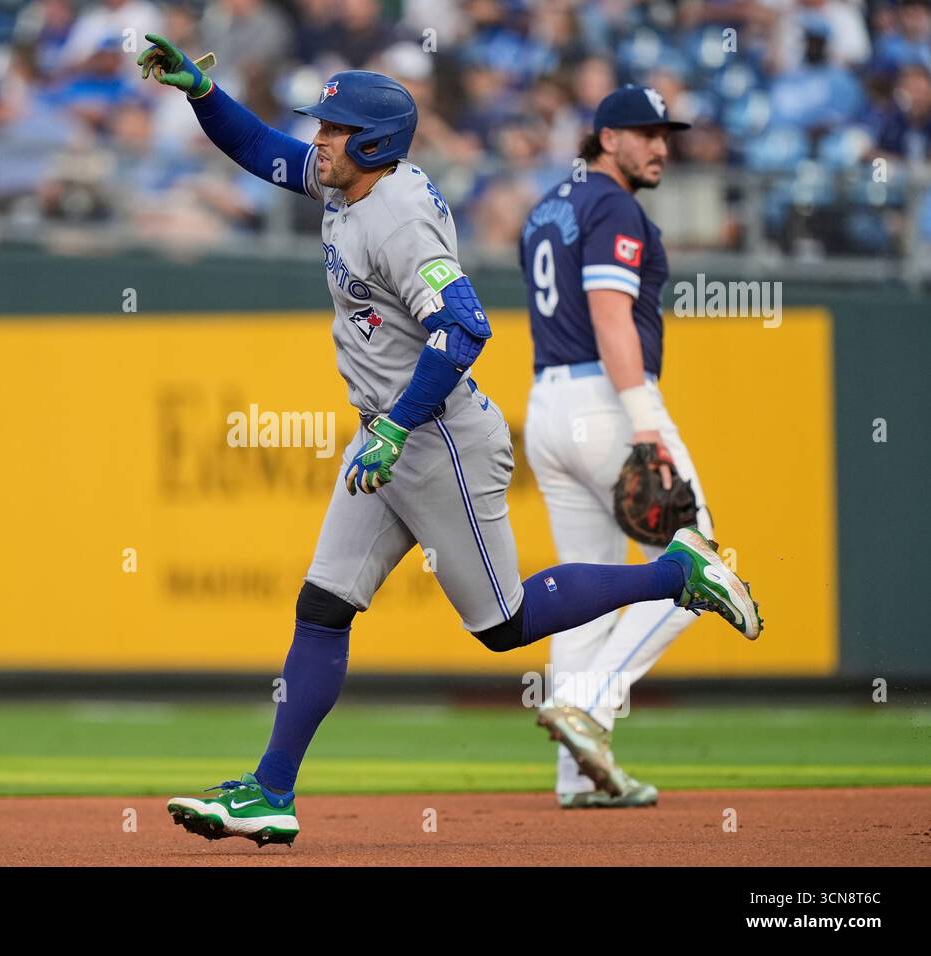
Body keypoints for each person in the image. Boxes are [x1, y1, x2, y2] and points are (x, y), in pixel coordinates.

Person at [136, 38, 762, 845]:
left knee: (503, 625)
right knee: (323, 607)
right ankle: (270, 791)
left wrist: (397, 426)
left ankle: (677, 570)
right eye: (322, 126)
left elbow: (466, 326)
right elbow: (260, 149)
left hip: (436, 438)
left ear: (373, 144)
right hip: (387, 436)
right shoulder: (348, 186)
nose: (318, 140)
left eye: (334, 128)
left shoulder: (395, 217)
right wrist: (200, 92)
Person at [519, 85, 755, 809]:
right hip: (605, 402)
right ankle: (589, 703)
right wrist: (645, 423)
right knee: (699, 561)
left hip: (547, 407)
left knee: (585, 596)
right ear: (606, 137)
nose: (660, 146)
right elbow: (611, 315)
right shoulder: (615, 205)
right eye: (644, 132)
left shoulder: (548, 204)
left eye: (666, 134)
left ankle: (575, 775)